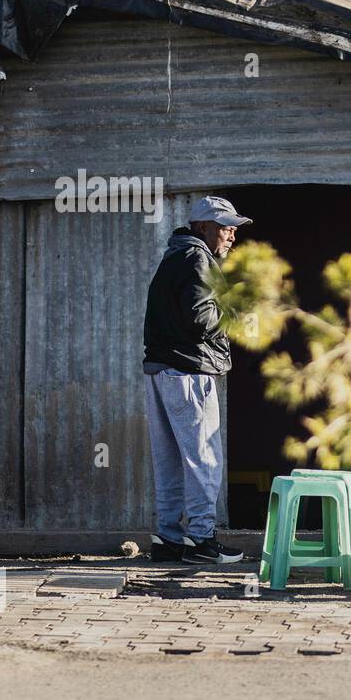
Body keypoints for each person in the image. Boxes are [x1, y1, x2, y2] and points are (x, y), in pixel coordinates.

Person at [141, 196, 252, 564]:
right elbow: (200, 319)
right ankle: (202, 541)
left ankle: (169, 540)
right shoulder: (198, 259)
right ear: (202, 227)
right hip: (189, 373)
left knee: (170, 460)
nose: (232, 235)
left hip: (162, 372)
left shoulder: (174, 256)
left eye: (234, 227)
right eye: (225, 226)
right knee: (204, 459)